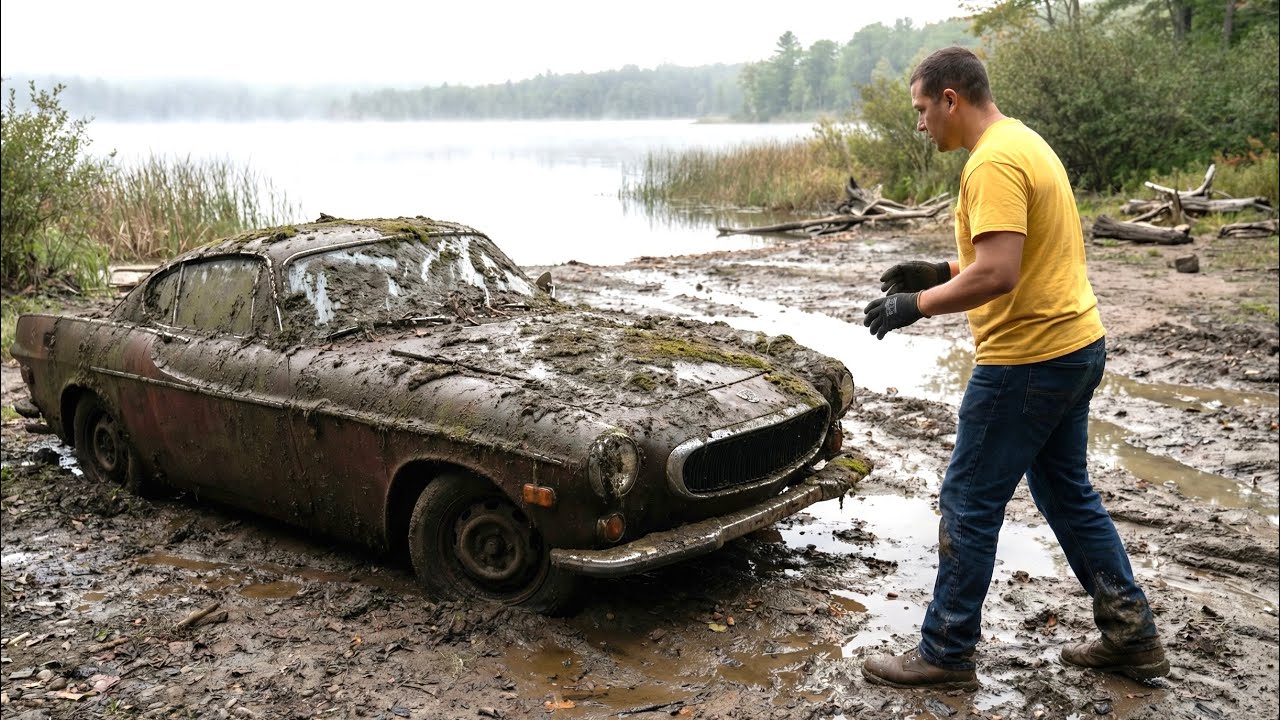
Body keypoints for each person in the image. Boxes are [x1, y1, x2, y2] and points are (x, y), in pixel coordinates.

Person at [859, 46, 1168, 690]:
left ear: (951, 99)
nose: (920, 124)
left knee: (968, 499)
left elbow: (999, 274)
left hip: (1027, 359)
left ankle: (945, 652)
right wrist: (940, 270)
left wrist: (917, 304)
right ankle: (1131, 635)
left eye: (922, 110)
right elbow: (1016, 259)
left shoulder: (992, 162)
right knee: (1065, 492)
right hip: (1076, 344)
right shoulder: (1024, 141)